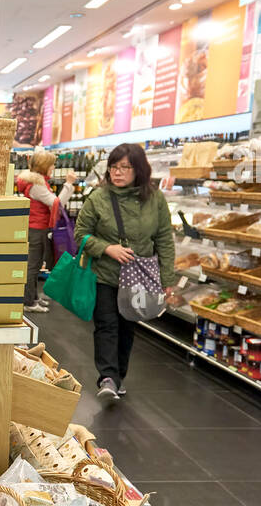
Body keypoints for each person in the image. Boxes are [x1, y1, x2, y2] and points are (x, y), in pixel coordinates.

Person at [73, 142, 181, 402]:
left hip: (139, 278)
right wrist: (106, 248)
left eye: (125, 167)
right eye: (113, 167)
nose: (117, 173)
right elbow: (80, 234)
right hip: (105, 275)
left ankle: (118, 375)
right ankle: (107, 377)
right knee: (107, 325)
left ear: (139, 170)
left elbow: (164, 239)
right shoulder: (98, 197)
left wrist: (168, 281)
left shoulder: (154, 199)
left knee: (127, 325)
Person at [15, 151, 72, 313]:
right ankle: (28, 302)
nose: (54, 167)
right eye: (52, 164)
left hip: (36, 227)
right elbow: (57, 204)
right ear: (44, 166)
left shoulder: (38, 182)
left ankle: (33, 297)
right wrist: (68, 185)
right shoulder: (37, 185)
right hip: (36, 229)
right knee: (33, 266)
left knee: (35, 264)